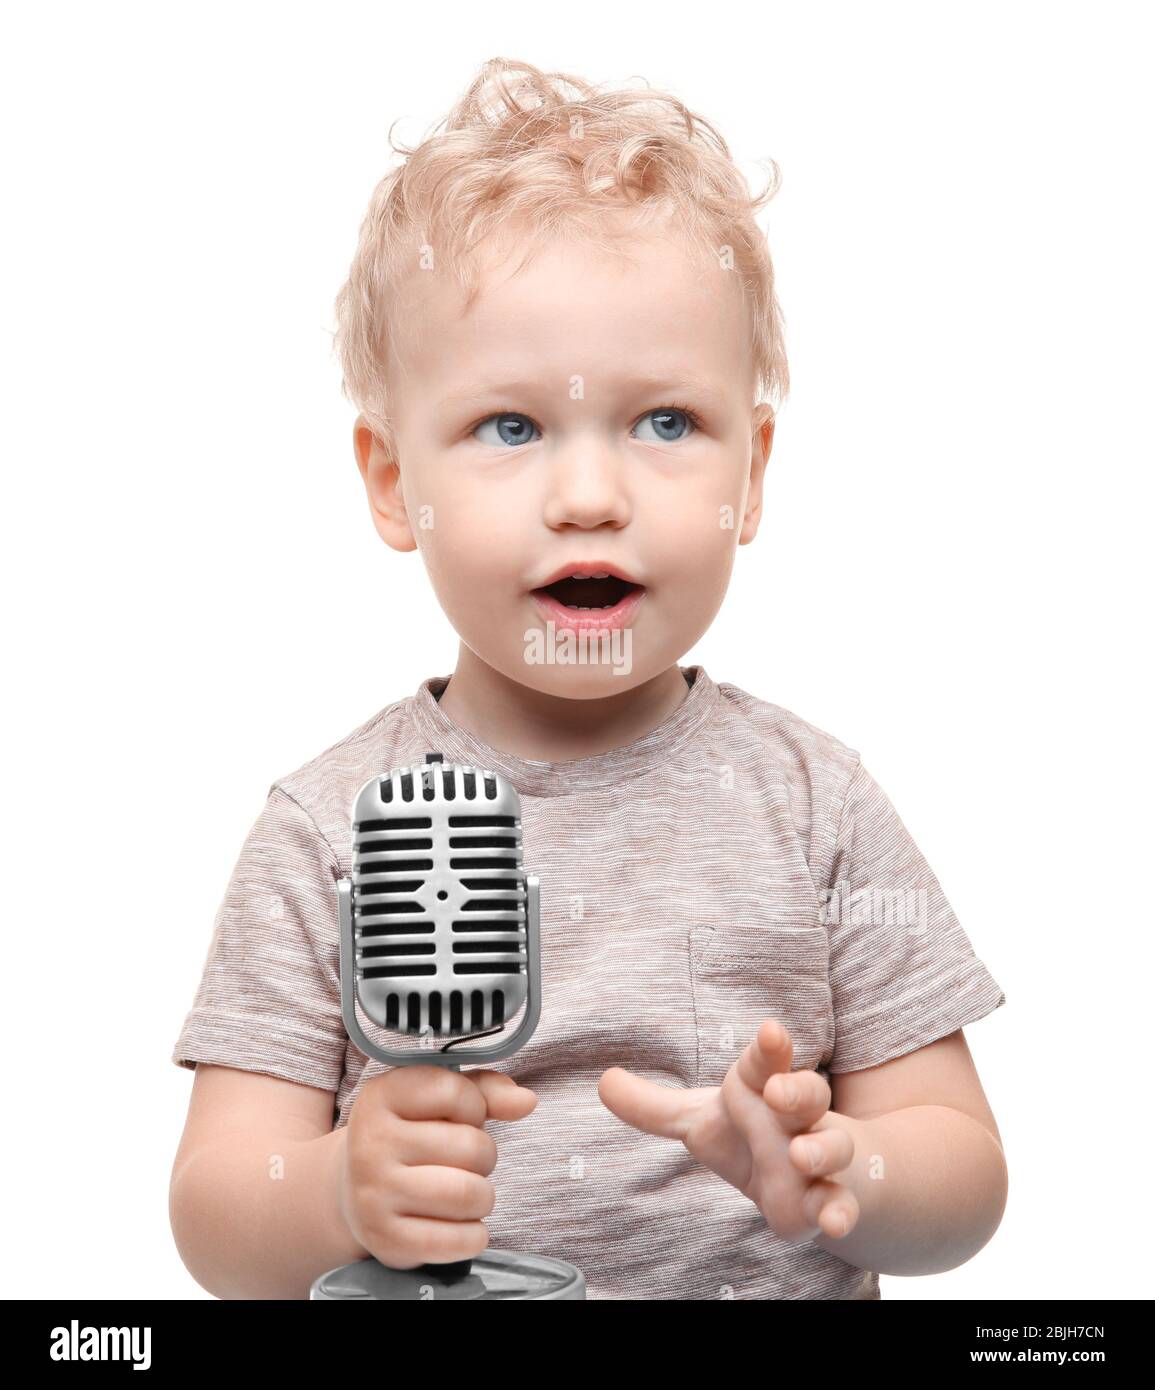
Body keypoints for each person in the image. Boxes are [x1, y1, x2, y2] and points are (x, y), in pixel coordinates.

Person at [169, 56, 1007, 1300]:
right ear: (396, 482)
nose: (590, 496)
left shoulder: (817, 804)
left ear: (754, 473)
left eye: (665, 422)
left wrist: (849, 1167)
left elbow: (967, 1171)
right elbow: (216, 1212)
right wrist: (338, 1190)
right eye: (510, 428)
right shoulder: (327, 829)